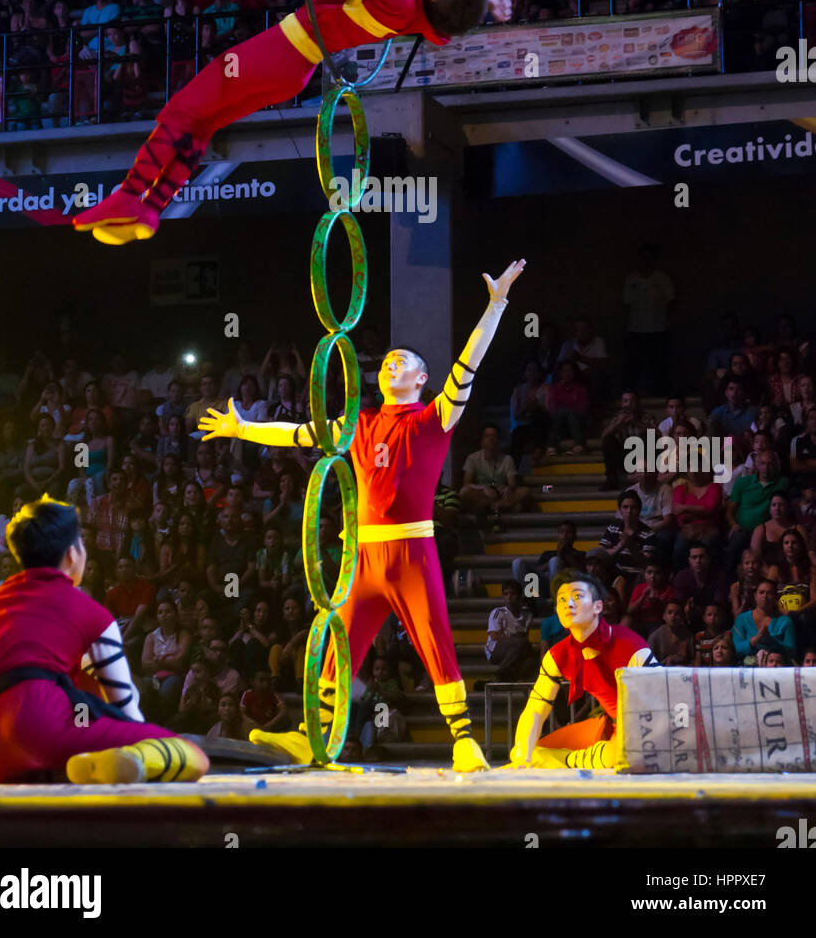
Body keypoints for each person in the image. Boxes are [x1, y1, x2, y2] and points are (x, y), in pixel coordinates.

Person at [202, 259, 525, 772]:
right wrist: (243, 430)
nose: (391, 364)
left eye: (404, 361)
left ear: (422, 377)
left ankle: (463, 740)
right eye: (388, 360)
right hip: (363, 554)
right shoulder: (359, 422)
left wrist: (497, 305)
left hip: (412, 549)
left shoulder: (435, 416)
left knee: (435, 638)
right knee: (338, 646)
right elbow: (299, 433)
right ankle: (313, 737)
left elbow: (469, 363)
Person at [74, 0, 512, 243]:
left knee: (181, 110)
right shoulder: (419, 7)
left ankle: (131, 193)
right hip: (292, 68)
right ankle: (152, 208)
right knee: (203, 125)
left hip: (280, 53)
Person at [0, 496, 207, 784]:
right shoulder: (91, 612)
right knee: (192, 756)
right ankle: (122, 762)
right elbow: (126, 709)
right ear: (73, 554)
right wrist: (136, 737)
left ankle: (70, 762)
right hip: (41, 732)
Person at [508, 571, 657, 770]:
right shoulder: (558, 655)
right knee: (521, 750)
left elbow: (660, 704)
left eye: (577, 597)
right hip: (607, 728)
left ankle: (568, 760)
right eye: (561, 599)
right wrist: (523, 759)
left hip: (640, 732)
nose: (567, 604)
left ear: (598, 606)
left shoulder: (630, 645)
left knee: (623, 753)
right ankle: (570, 758)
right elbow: (535, 709)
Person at [622, 243, 675, 395]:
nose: (645, 261)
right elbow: (626, 303)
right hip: (635, 328)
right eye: (643, 257)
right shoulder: (631, 279)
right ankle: (630, 394)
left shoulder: (662, 278)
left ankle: (662, 393)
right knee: (633, 364)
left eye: (649, 257)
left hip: (658, 328)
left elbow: (672, 300)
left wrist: (664, 319)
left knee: (658, 363)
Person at [731, 579, 796, 661]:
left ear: (775, 597)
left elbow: (791, 651)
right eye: (761, 592)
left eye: (769, 593)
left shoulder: (785, 621)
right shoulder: (742, 619)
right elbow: (735, 650)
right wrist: (755, 640)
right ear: (755, 596)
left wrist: (771, 641)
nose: (765, 596)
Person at [485, 581, 533, 678]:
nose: (509, 597)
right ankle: (499, 675)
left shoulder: (527, 615)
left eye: (512, 594)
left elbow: (525, 635)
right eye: (506, 594)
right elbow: (494, 635)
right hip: (495, 650)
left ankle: (513, 681)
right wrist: (515, 640)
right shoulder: (498, 612)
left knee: (531, 660)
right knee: (520, 644)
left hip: (516, 649)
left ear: (519, 596)